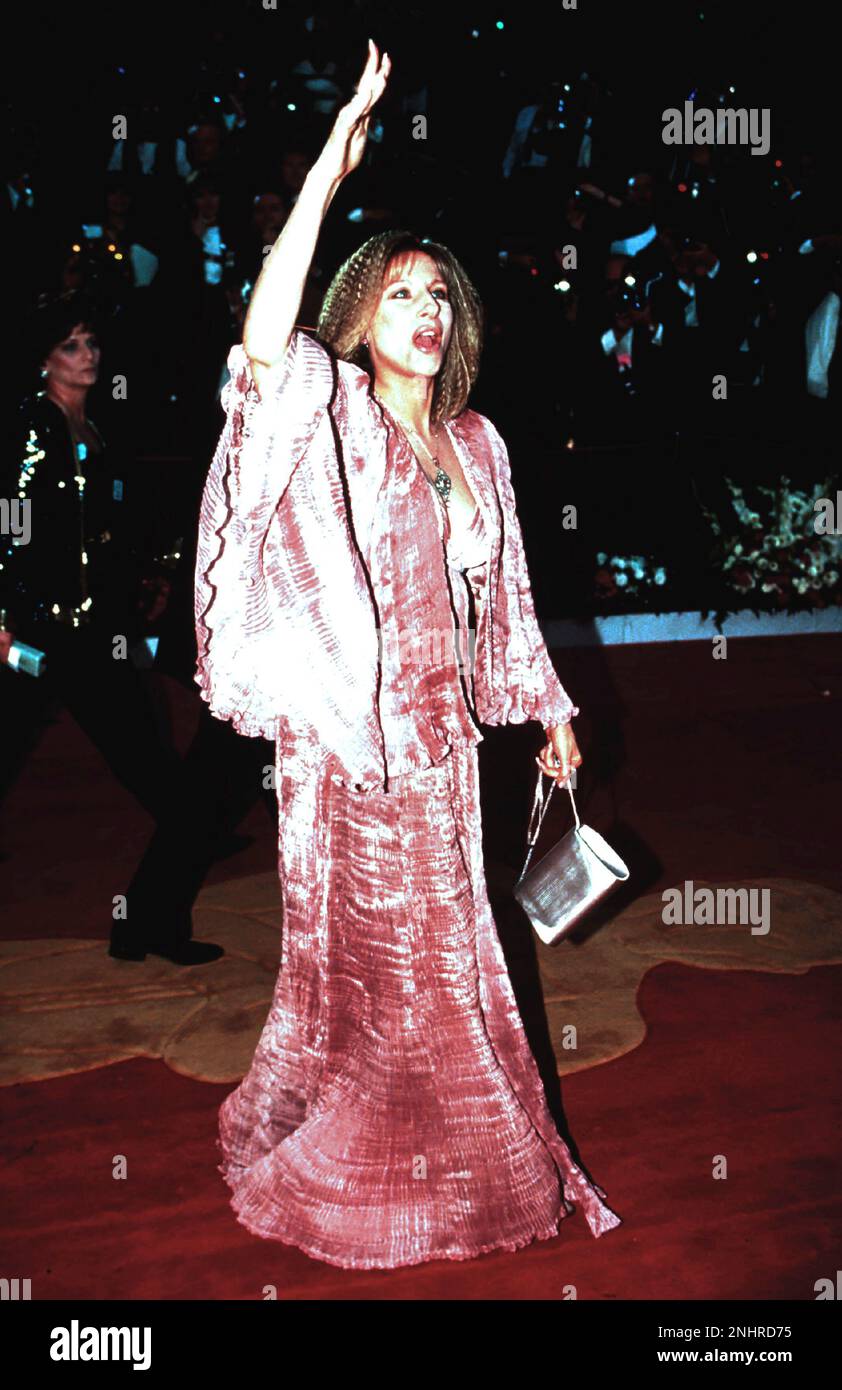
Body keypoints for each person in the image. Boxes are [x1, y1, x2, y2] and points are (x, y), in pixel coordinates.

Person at [195, 40, 621, 1270]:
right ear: (357, 318)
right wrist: (330, 163)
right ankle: (363, 1175)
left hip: (440, 750)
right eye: (397, 296)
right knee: (370, 969)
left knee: (450, 958)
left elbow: (507, 593)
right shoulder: (328, 416)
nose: (424, 316)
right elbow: (265, 343)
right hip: (345, 747)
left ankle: (443, 1162)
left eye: (438, 297)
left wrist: (544, 703)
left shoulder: (478, 444)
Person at [0, 291, 224, 966]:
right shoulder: (35, 425)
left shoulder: (94, 428)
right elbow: (11, 522)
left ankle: (146, 924)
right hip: (43, 637)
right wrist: (5, 623)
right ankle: (149, 922)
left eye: (92, 343)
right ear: (44, 360)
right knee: (172, 793)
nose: (89, 355)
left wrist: (145, 580)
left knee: (169, 787)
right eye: (71, 346)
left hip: (92, 637)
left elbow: (105, 534)